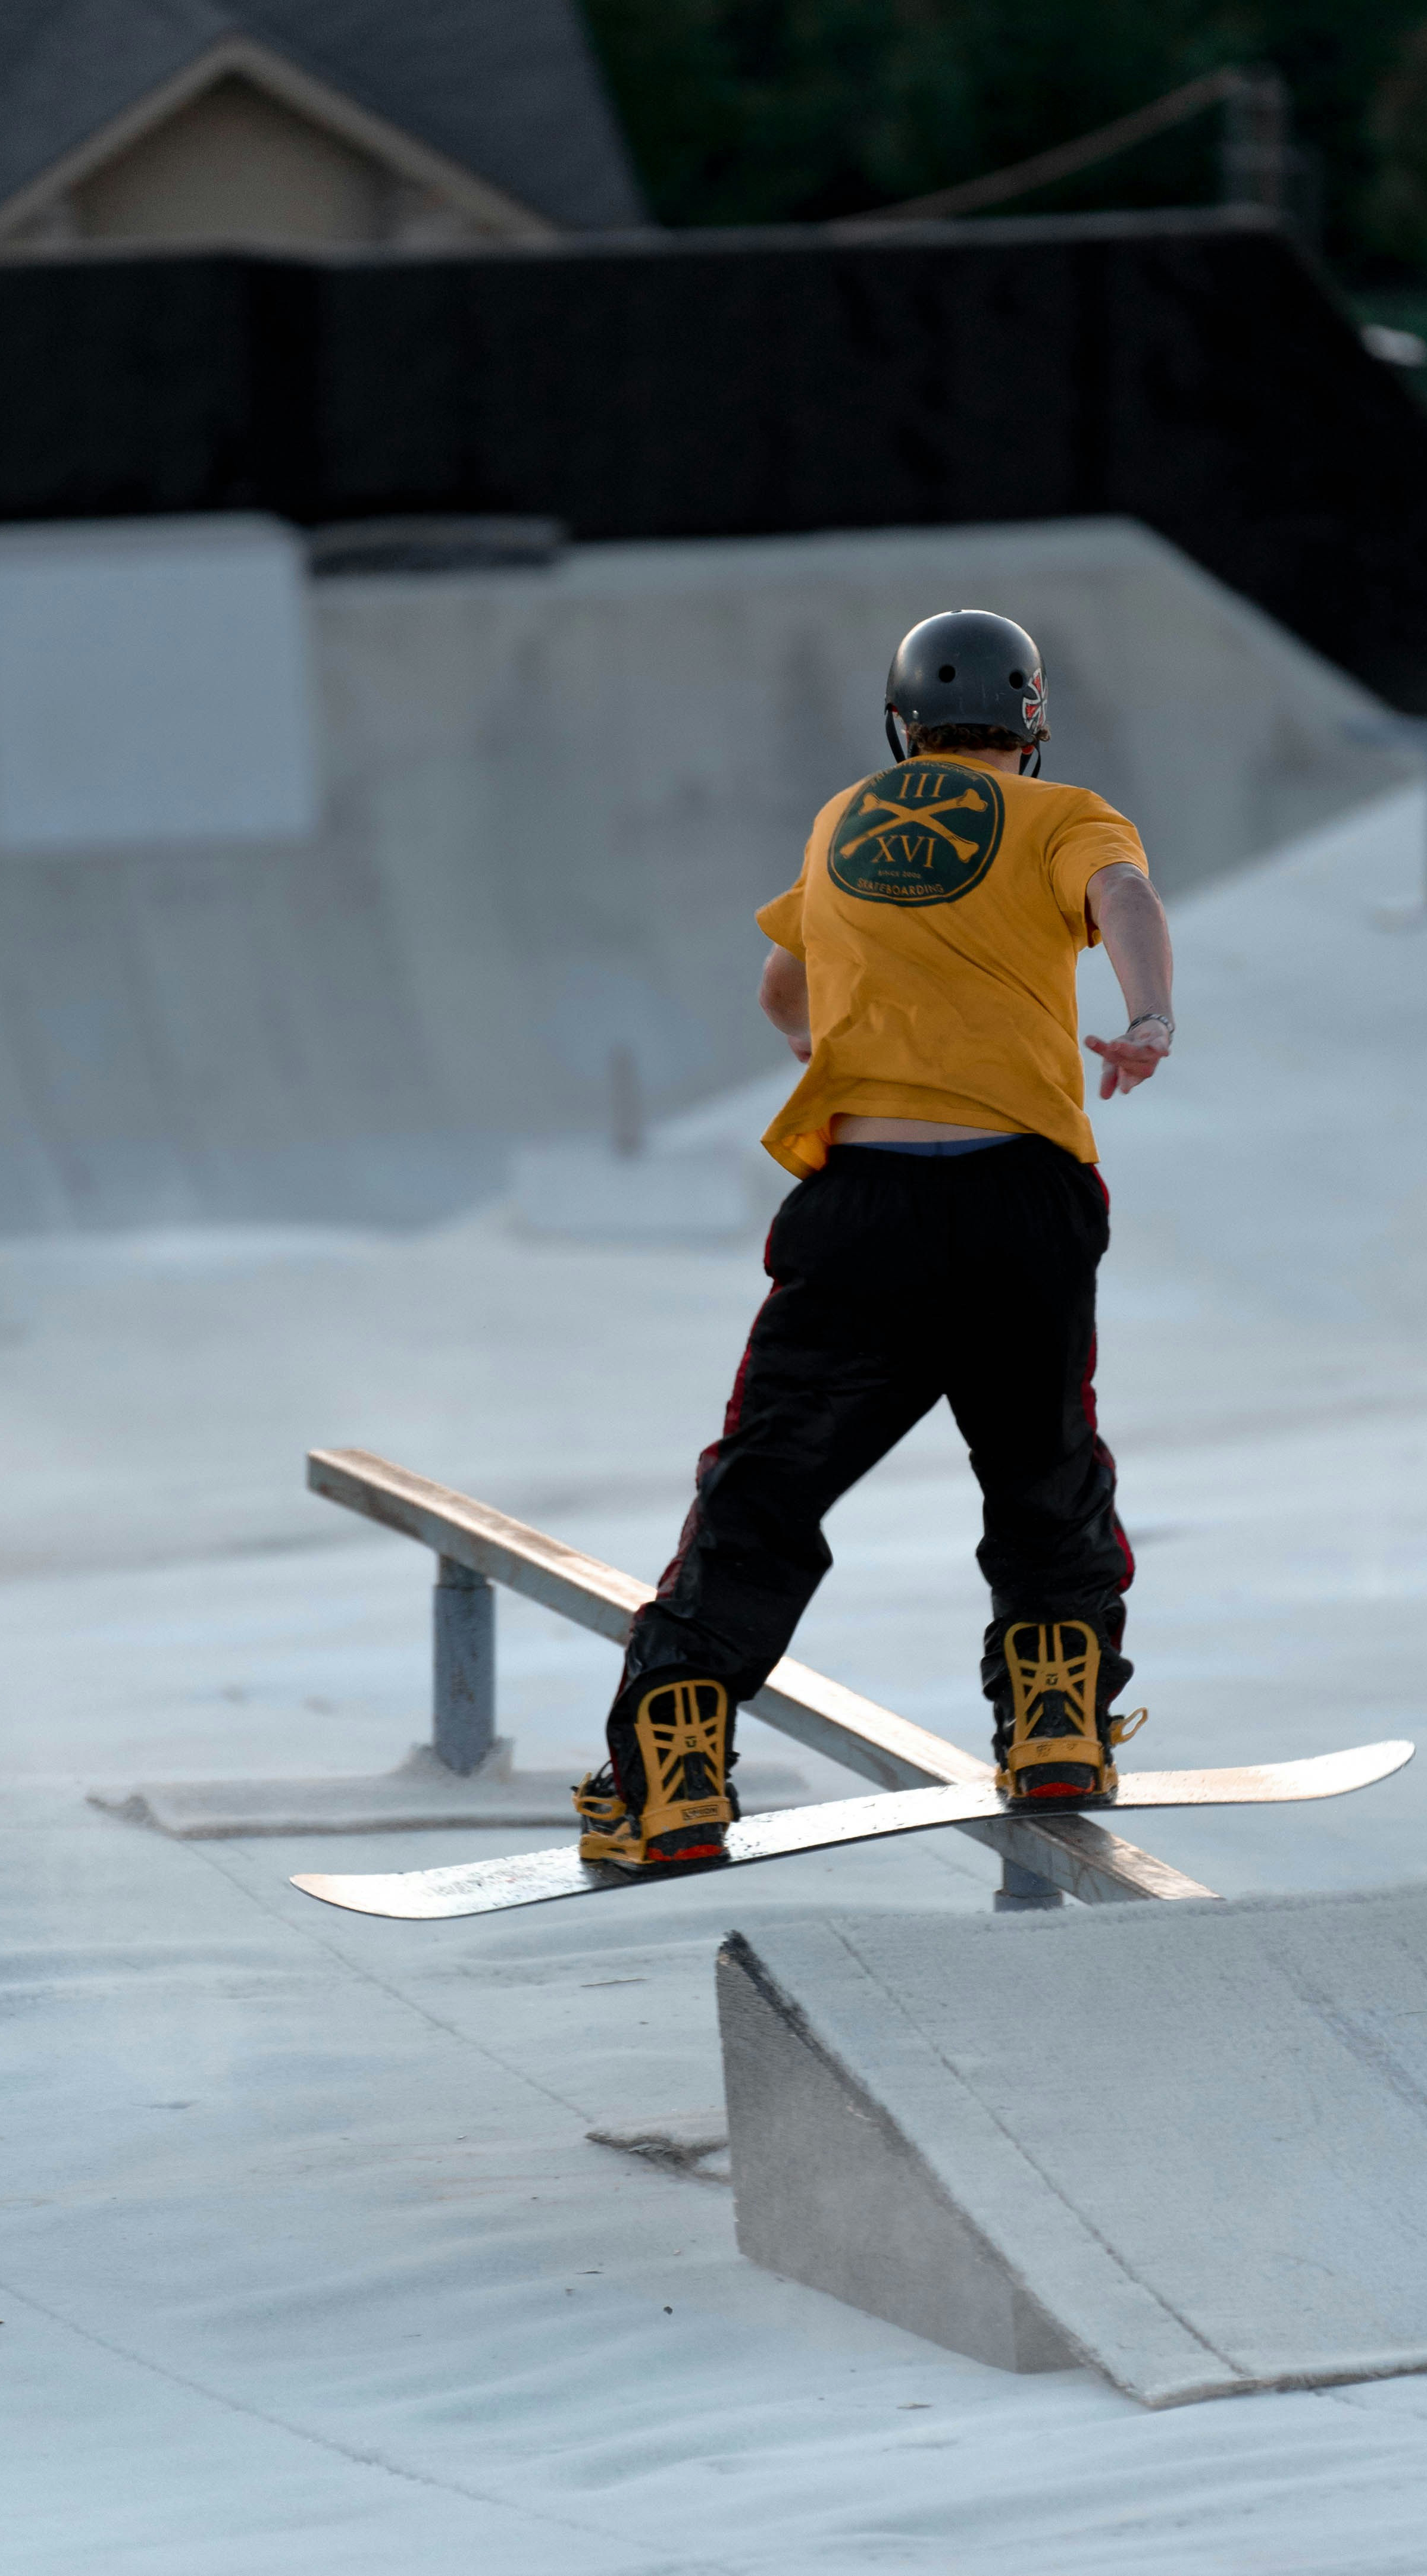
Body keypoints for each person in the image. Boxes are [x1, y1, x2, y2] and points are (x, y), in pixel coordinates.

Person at [573, 608, 1173, 1871]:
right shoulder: (1067, 817)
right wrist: (1148, 1013)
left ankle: (672, 1774)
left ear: (903, 724)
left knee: (766, 1485)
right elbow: (1122, 893)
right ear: (1030, 718)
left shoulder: (844, 822)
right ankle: (1055, 1728)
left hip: (865, 1215)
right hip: (1023, 1204)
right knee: (1045, 1466)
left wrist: (817, 1042)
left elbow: (779, 984)